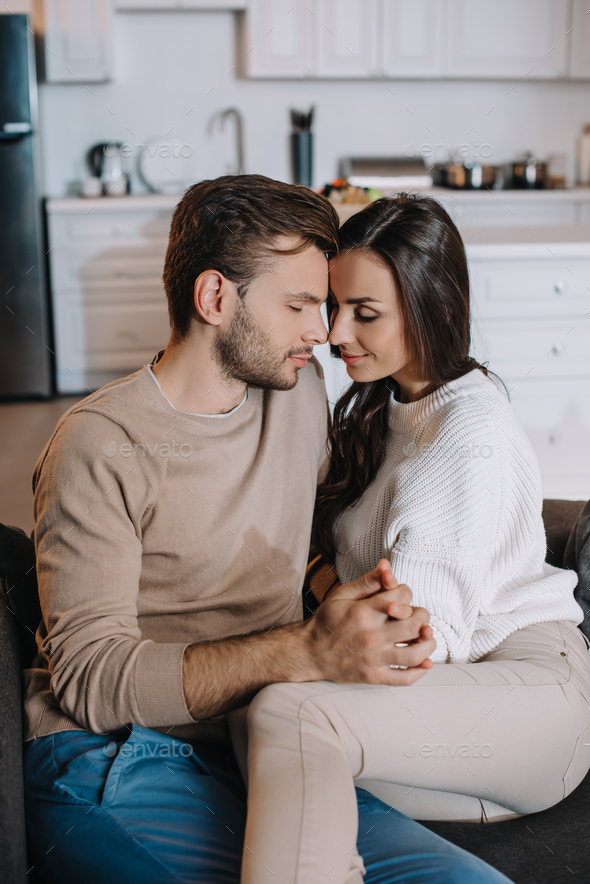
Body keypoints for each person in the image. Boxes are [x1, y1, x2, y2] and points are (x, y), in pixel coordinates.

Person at [22, 176, 509, 884]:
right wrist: (307, 650)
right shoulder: (98, 444)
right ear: (215, 298)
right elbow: (93, 681)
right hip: (117, 753)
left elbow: (319, 527)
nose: (324, 330)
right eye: (300, 305)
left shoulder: (297, 392)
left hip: (270, 737)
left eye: (329, 304)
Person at [238, 194, 590, 884]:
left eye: (365, 314)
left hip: (532, 697)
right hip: (468, 708)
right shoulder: (394, 402)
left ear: (433, 307)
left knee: (289, 712)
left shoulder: (468, 435)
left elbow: (405, 642)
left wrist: (314, 599)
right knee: (250, 728)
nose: (337, 332)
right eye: (335, 306)